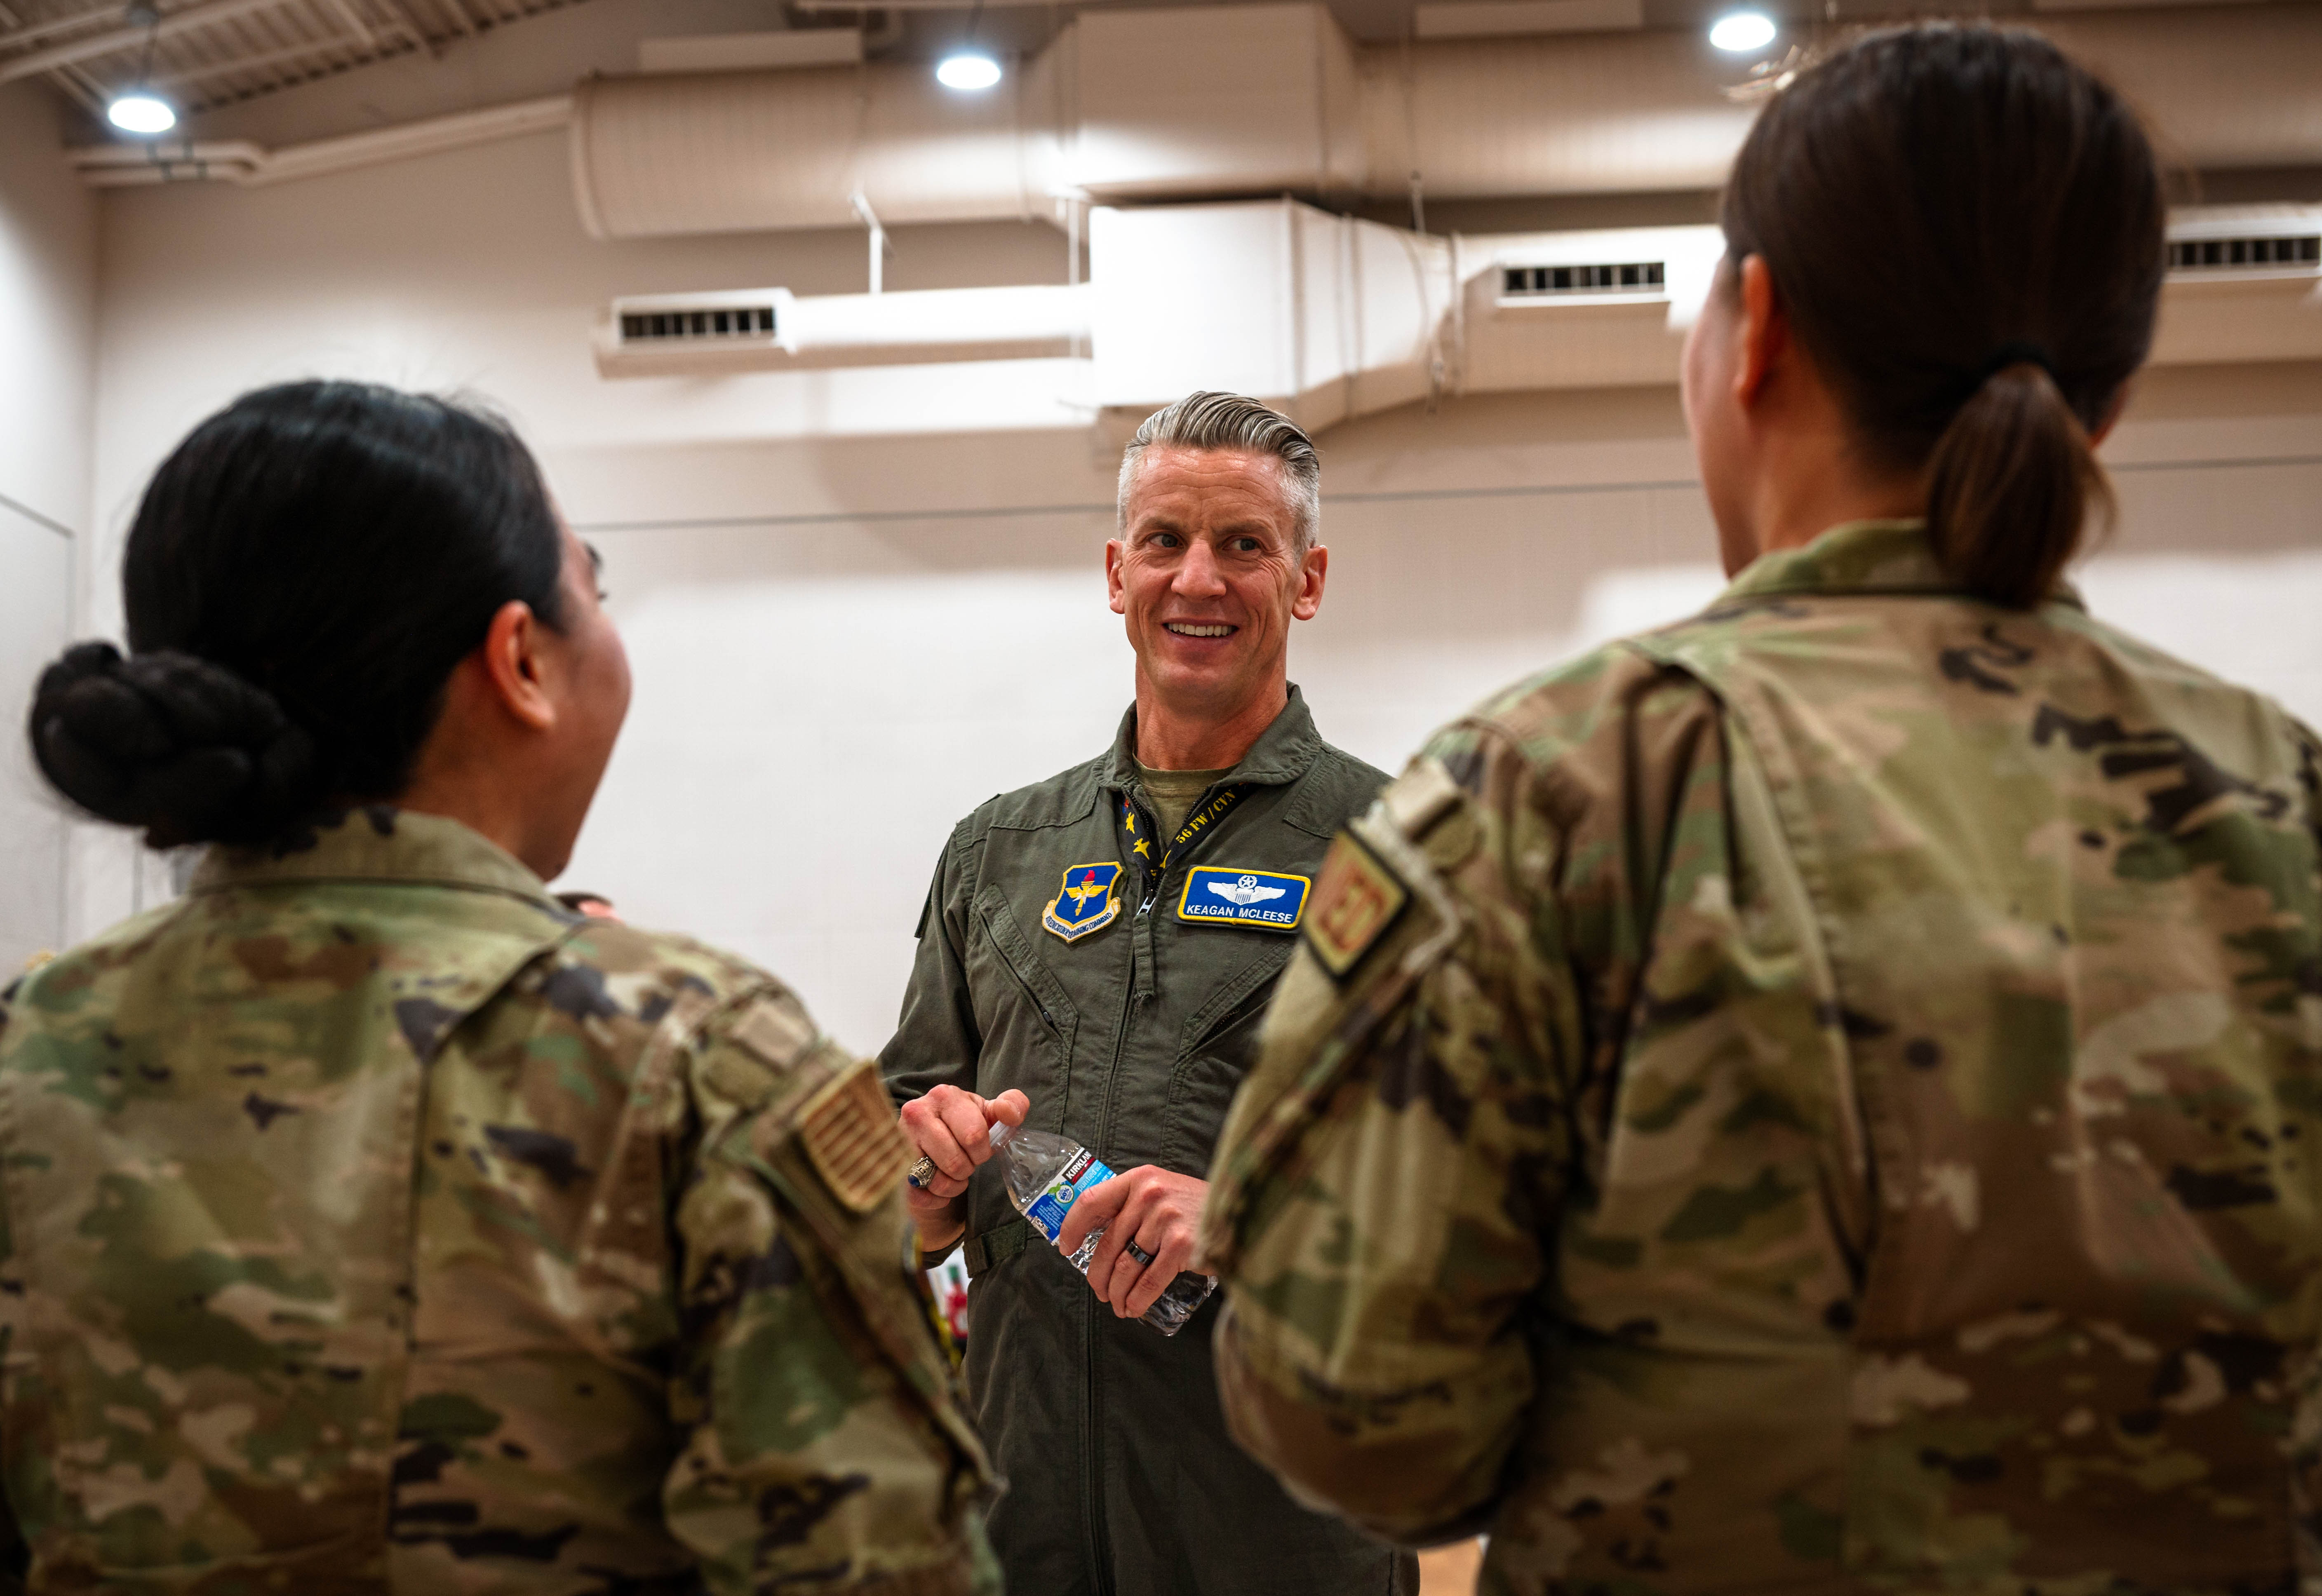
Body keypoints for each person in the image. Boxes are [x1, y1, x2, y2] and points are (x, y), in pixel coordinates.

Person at [1201, 23, 2322, 1594]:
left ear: (1756, 330)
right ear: (2108, 402)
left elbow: (1357, 1418)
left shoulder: (1562, 791)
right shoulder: (2281, 796)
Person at [0, 381, 996, 1593]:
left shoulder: (30, 1051)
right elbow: (878, 1566)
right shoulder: (702, 1059)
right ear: (521, 658)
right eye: (597, 586)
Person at [882, 393, 1411, 1594]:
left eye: (1244, 545)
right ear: (1117, 574)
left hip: (1284, 1538)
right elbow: (885, 1177)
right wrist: (925, 1180)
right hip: (1029, 1530)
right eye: (1166, 541)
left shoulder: (1406, 851)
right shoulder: (997, 851)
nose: (1200, 580)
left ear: (1308, 578)